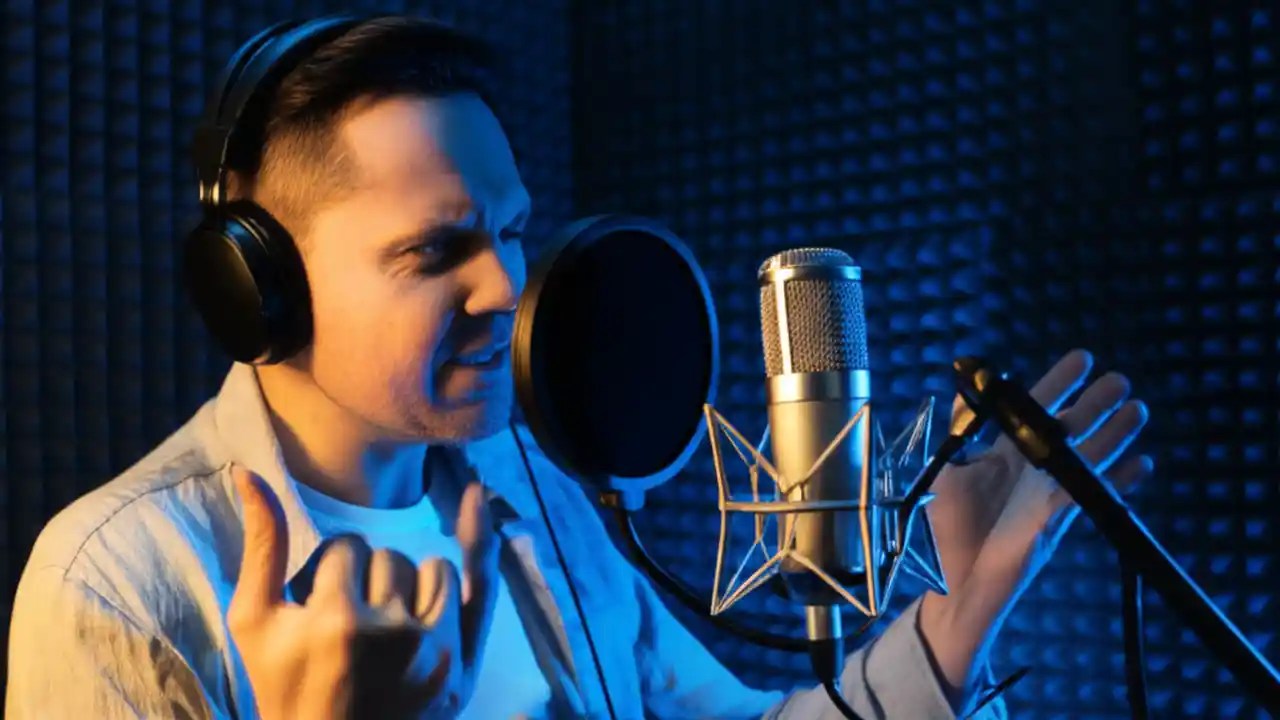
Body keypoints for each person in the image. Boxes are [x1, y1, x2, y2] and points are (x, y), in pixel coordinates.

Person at [5, 14, 1153, 720]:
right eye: (435, 251)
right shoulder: (121, 582)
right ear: (261, 287)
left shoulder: (530, 484)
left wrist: (957, 621)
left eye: (510, 232)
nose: (507, 287)